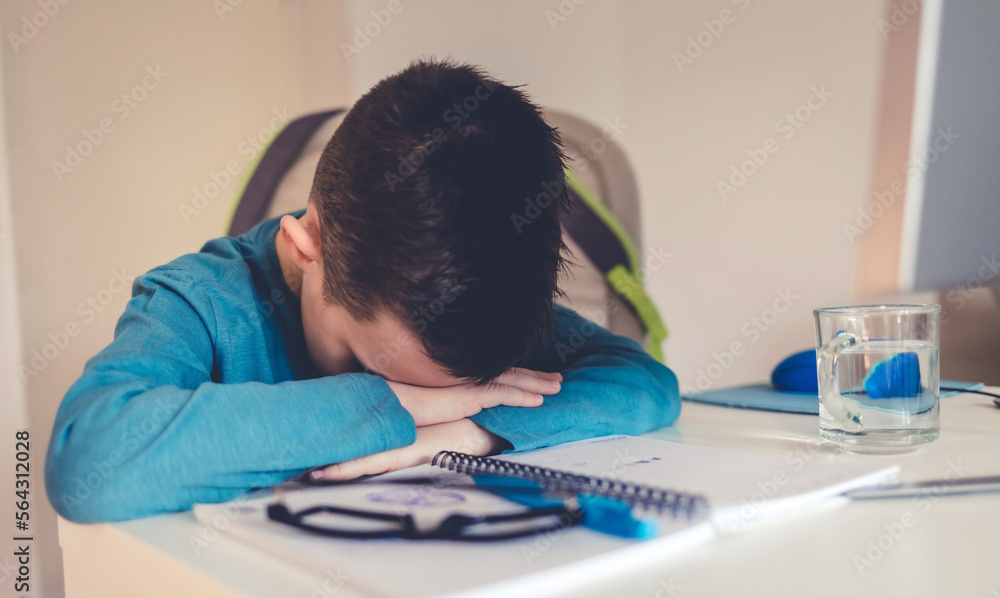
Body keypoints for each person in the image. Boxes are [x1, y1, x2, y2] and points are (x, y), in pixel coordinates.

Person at [44, 59, 681, 524]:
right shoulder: (200, 302)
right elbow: (88, 461)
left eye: (450, 392)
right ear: (306, 248)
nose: (432, 404)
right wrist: (389, 407)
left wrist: (468, 431)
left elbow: (647, 383)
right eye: (371, 366)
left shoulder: (477, 300)